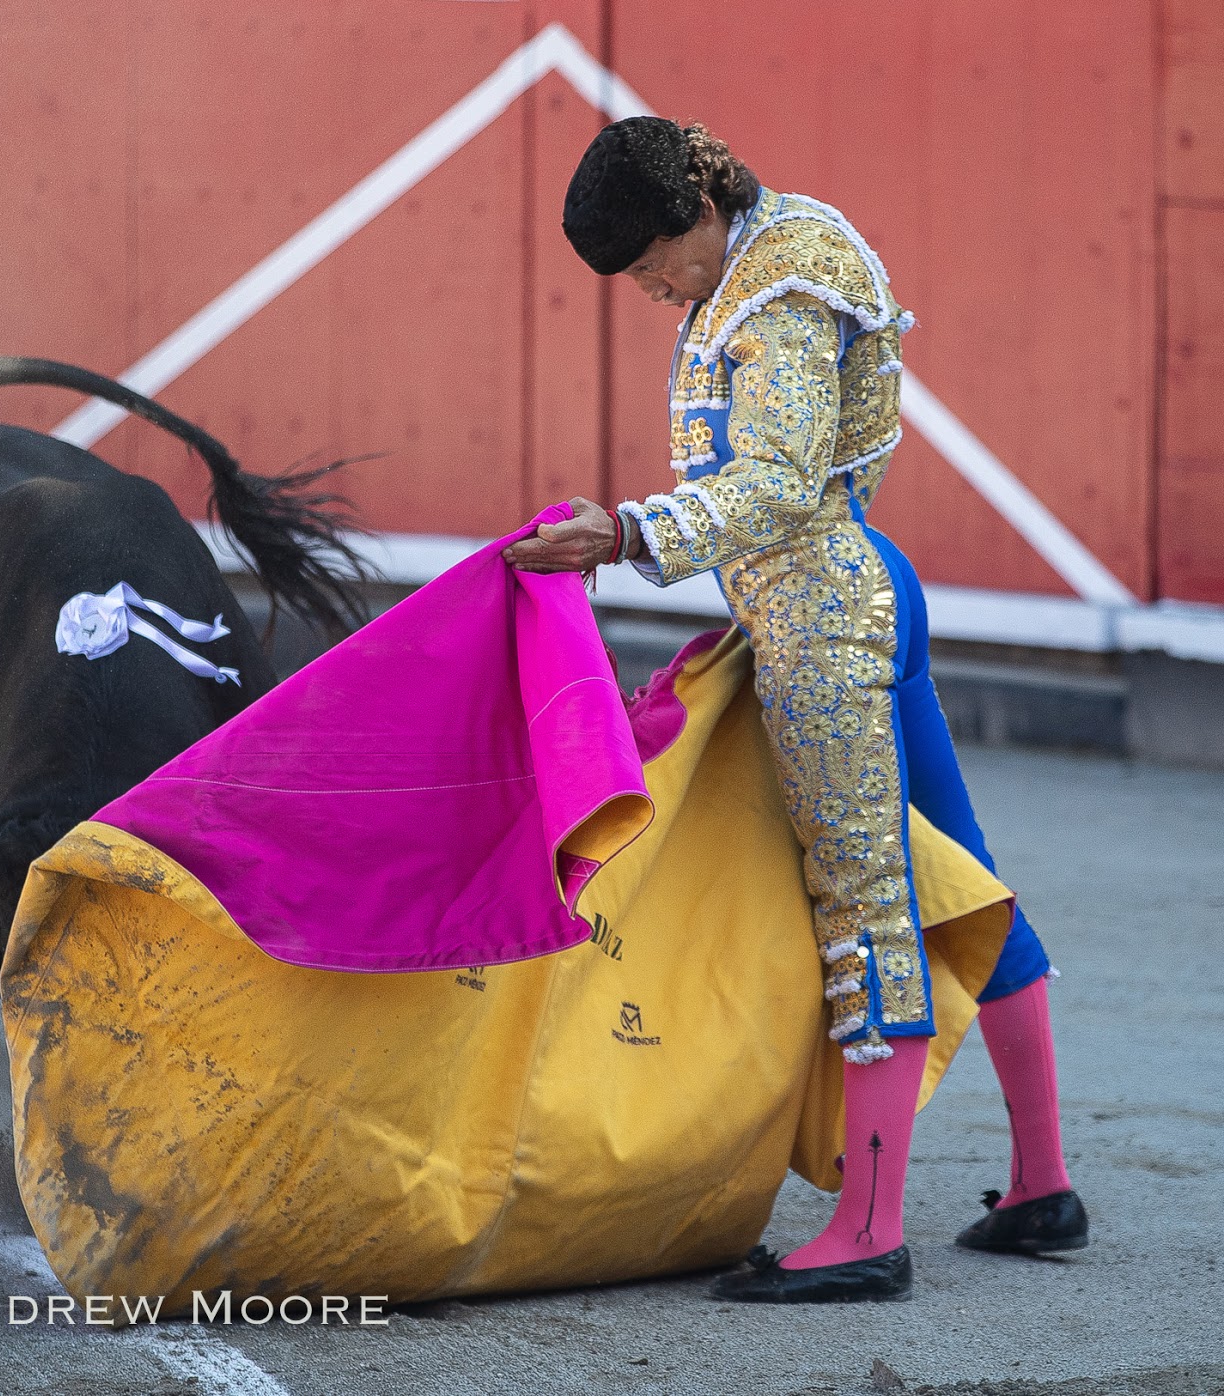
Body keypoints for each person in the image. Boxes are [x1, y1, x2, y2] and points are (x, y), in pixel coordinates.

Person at [505, 116, 1088, 1302]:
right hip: (863, 586)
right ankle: (1042, 1187)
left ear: (697, 213)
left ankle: (869, 1231)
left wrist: (627, 534)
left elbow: (770, 485)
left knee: (863, 897)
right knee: (959, 871)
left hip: (826, 616)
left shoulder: (771, 293)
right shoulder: (780, 247)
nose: (650, 290)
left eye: (650, 263)